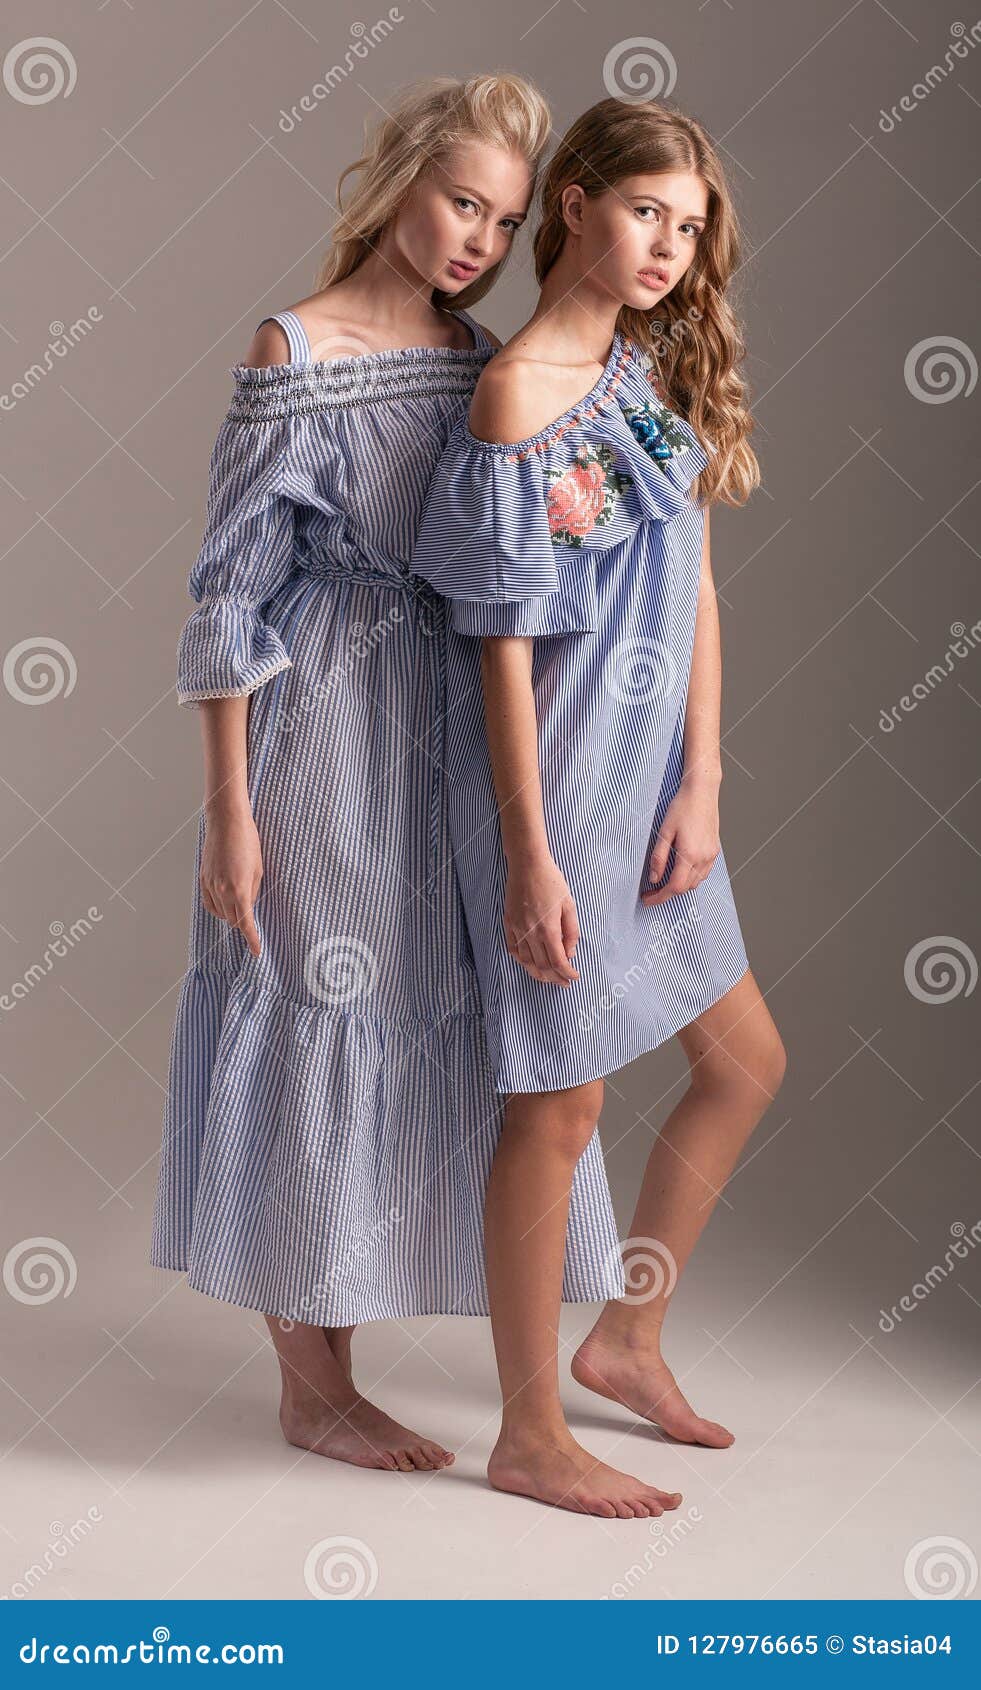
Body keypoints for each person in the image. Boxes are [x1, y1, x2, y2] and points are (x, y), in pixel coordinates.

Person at [150, 74, 626, 1478]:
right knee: (319, 996)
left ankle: (375, 1346)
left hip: (455, 729)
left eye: (503, 216)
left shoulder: (477, 347)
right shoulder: (291, 347)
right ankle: (314, 1383)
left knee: (445, 1002)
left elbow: (500, 542)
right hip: (324, 726)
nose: (479, 236)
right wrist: (232, 810)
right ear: (401, 182)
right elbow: (229, 592)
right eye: (459, 202)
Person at [411, 95, 787, 1517]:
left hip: (654, 790)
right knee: (557, 1107)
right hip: (560, 787)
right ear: (570, 203)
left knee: (742, 1058)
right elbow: (498, 642)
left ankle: (624, 1336)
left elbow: (692, 587)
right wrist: (527, 851)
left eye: (688, 230)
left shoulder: (644, 372)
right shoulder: (513, 391)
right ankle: (524, 1429)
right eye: (645, 213)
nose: (667, 249)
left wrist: (700, 779)